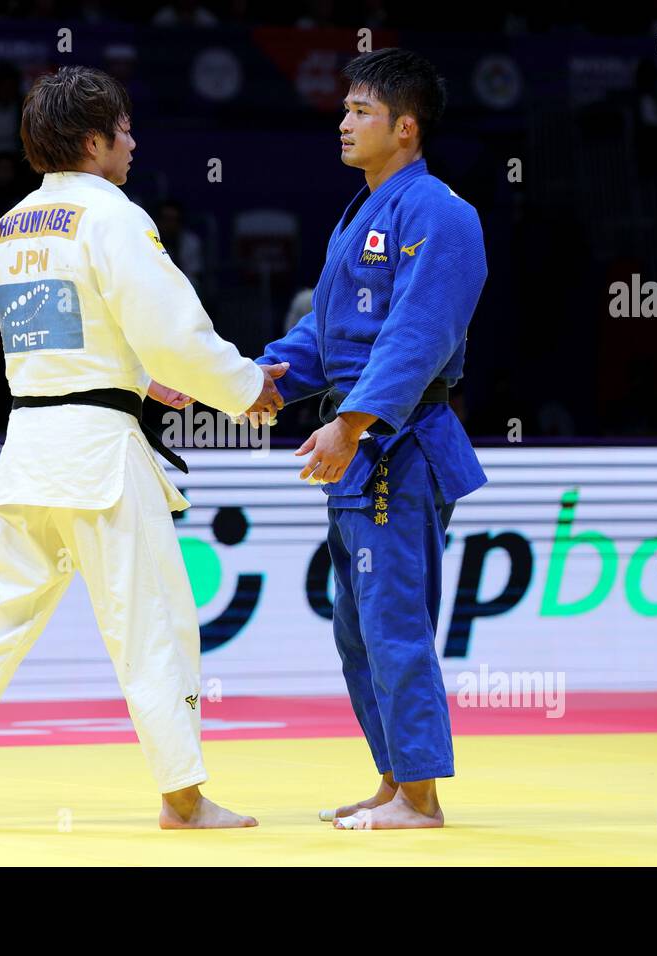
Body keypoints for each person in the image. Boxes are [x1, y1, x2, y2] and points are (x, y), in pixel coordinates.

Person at [0, 66, 286, 830]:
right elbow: (171, 331)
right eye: (124, 130)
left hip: (31, 445)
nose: (132, 142)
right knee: (154, 619)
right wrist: (246, 387)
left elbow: (66, 336)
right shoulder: (112, 217)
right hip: (98, 452)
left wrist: (138, 378)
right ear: (93, 142)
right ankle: (184, 798)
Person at [256, 48, 488, 829]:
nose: (345, 122)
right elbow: (324, 336)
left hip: (400, 445)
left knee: (393, 622)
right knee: (355, 628)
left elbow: (417, 337)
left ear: (407, 127)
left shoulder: (442, 214)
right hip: (364, 449)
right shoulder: (360, 214)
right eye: (346, 108)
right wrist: (257, 380)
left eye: (362, 111)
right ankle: (394, 781)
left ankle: (421, 797)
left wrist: (349, 424)